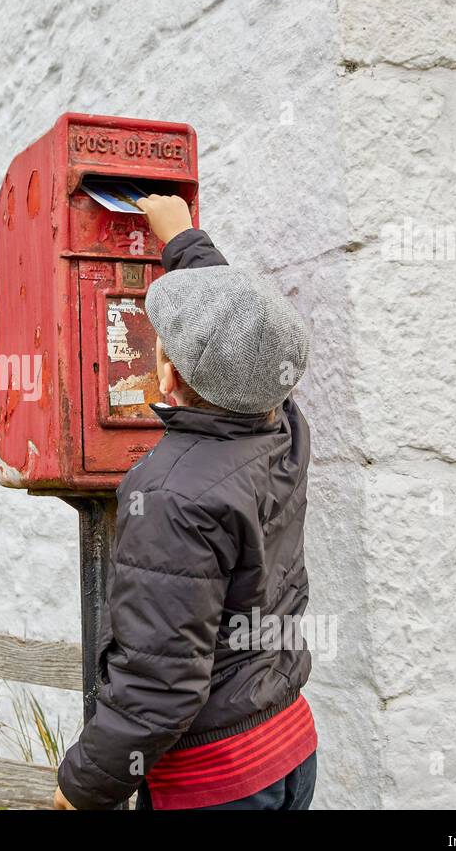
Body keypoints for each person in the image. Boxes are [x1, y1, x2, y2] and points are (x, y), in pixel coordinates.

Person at [53, 194, 317, 810]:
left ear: (166, 377)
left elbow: (159, 684)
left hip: (217, 782)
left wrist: (83, 785)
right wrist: (184, 240)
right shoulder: (283, 429)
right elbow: (245, 335)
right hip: (290, 747)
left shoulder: (167, 494)